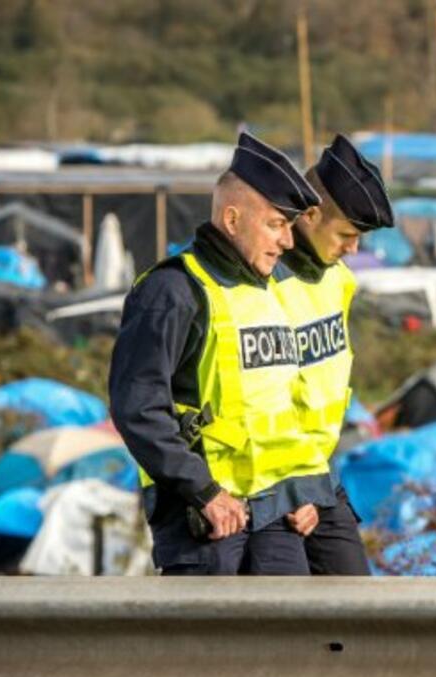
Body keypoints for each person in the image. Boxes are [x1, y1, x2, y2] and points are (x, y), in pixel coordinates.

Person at [109, 131, 334, 576]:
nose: (288, 241)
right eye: (276, 224)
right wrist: (204, 491)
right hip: (208, 520)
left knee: (291, 643)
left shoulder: (269, 291)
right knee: (211, 647)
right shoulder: (172, 291)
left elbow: (285, 409)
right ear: (232, 220)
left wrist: (304, 488)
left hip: (279, 515)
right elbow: (137, 406)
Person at [274, 134, 394, 575]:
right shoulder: (266, 280)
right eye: (346, 234)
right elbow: (258, 395)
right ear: (309, 214)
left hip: (319, 472)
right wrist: (288, 487)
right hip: (274, 479)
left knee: (354, 609)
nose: (353, 249)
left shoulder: (337, 280)